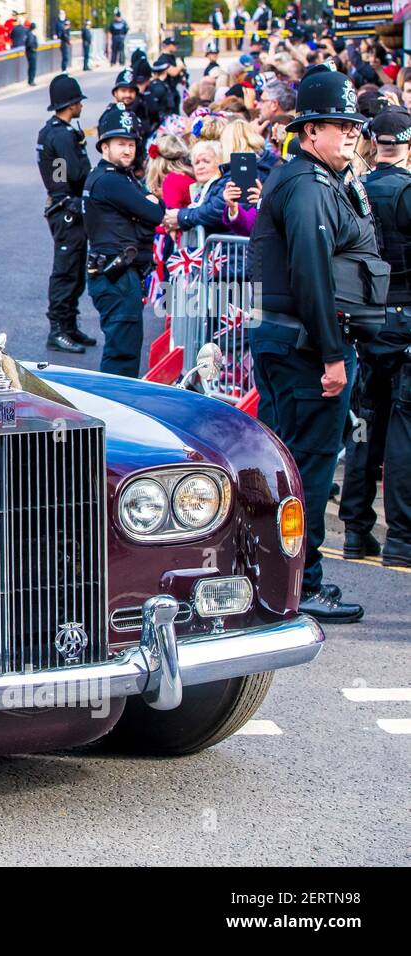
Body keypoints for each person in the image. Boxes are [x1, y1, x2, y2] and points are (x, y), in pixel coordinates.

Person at [250, 69, 385, 622]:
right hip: (307, 349)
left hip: (294, 344)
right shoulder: (307, 186)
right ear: (310, 132)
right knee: (304, 468)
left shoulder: (310, 178)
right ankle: (301, 586)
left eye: (354, 126)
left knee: (286, 465)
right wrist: (332, 354)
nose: (350, 134)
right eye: (339, 125)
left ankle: (277, 579)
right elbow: (311, 275)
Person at [344, 106, 411, 567]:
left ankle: (355, 528)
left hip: (369, 318)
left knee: (367, 425)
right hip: (403, 316)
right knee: (403, 430)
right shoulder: (403, 190)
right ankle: (401, 537)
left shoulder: (356, 190)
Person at [84, 104, 166, 377]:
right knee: (122, 354)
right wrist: (156, 201)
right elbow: (153, 213)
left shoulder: (117, 178)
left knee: (125, 348)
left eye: (131, 144)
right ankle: (115, 411)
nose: (128, 150)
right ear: (104, 147)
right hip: (116, 275)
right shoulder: (111, 181)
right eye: (121, 143)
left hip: (118, 274)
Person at [38, 75, 93, 354]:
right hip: (67, 211)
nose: (81, 106)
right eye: (79, 101)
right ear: (71, 104)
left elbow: (59, 171)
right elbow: (75, 172)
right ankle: (58, 330)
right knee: (66, 272)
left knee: (74, 270)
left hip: (63, 206)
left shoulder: (52, 132)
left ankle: (69, 326)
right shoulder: (62, 135)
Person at [25, 21, 40, 86]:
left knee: (31, 67)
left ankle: (30, 80)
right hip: (31, 53)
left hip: (30, 52)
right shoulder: (31, 35)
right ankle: (31, 81)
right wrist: (33, 48)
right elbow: (30, 44)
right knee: (33, 67)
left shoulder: (29, 34)